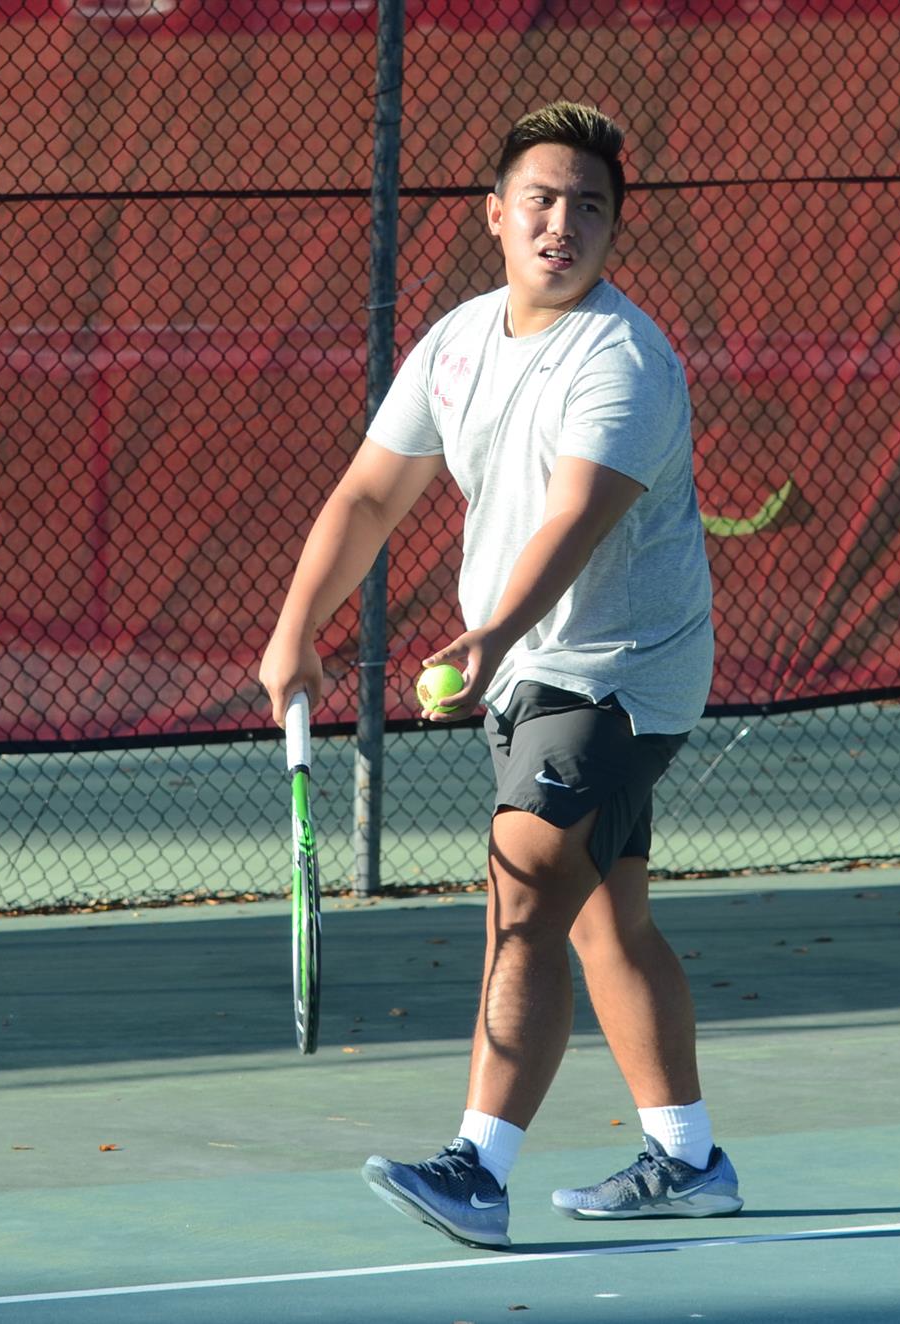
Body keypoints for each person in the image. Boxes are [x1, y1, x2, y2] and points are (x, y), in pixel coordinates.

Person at [257, 102, 738, 1250]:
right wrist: (295, 628)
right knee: (604, 925)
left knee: (520, 897)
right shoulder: (459, 343)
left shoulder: (622, 361)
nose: (562, 223)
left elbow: (572, 520)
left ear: (614, 230)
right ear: (493, 216)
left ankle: (479, 1165)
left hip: (617, 673)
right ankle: (689, 1158)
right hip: (529, 670)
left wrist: (490, 631)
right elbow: (371, 494)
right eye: (541, 200)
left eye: (588, 207)